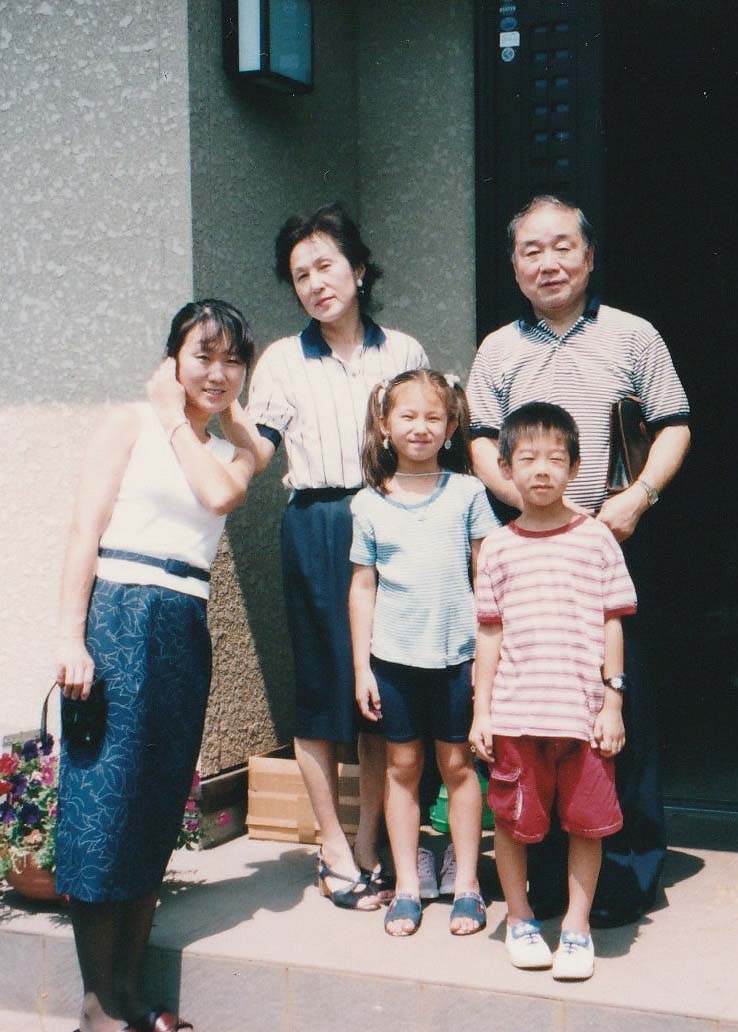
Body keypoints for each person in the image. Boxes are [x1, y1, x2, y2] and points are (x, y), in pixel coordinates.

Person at [466, 195, 690, 926]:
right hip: (530, 554)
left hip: (614, 539)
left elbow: (675, 424)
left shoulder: (634, 335)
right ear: (514, 265)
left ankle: (624, 875)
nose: (548, 262)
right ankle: (539, 879)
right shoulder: (497, 349)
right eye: (531, 250)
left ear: (589, 256)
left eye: (563, 246)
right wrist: (524, 504)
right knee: (533, 712)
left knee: (618, 709)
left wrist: (639, 497)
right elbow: (478, 439)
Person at [55, 300, 256, 1032]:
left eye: (234, 359)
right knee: (102, 805)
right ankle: (98, 1006)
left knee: (153, 804)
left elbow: (223, 490)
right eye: (202, 353)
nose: (218, 371)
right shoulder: (127, 425)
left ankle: (130, 997)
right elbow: (85, 529)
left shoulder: (231, 448)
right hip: (118, 613)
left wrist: (183, 413)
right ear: (171, 357)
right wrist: (70, 636)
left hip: (182, 624)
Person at [222, 203, 428, 909]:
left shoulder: (402, 352)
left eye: (326, 266)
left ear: (359, 269)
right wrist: (218, 447)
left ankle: (371, 842)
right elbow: (258, 447)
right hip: (315, 525)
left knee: (382, 691)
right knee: (321, 689)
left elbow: (425, 443)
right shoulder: (282, 358)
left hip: (390, 521)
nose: (314, 283)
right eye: (299, 274)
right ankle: (333, 848)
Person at [471, 402, 637, 979]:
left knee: (587, 823)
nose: (542, 470)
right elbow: (488, 632)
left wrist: (613, 700)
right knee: (514, 823)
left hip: (584, 715)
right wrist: (481, 712)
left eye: (555, 459)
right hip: (517, 716)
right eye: (528, 458)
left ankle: (575, 927)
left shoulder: (596, 540)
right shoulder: (496, 546)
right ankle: (519, 918)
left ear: (575, 466)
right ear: (505, 468)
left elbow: (613, 621)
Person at [349, 369, 498, 936]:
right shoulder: (368, 504)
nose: (420, 427)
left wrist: (491, 663)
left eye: (433, 417)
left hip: (458, 657)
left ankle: (467, 886)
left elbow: (486, 577)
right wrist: (362, 666)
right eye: (407, 416)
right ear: (385, 427)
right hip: (393, 660)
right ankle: (408, 884)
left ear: (451, 426)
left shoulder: (468, 493)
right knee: (403, 768)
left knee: (459, 767)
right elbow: (363, 586)